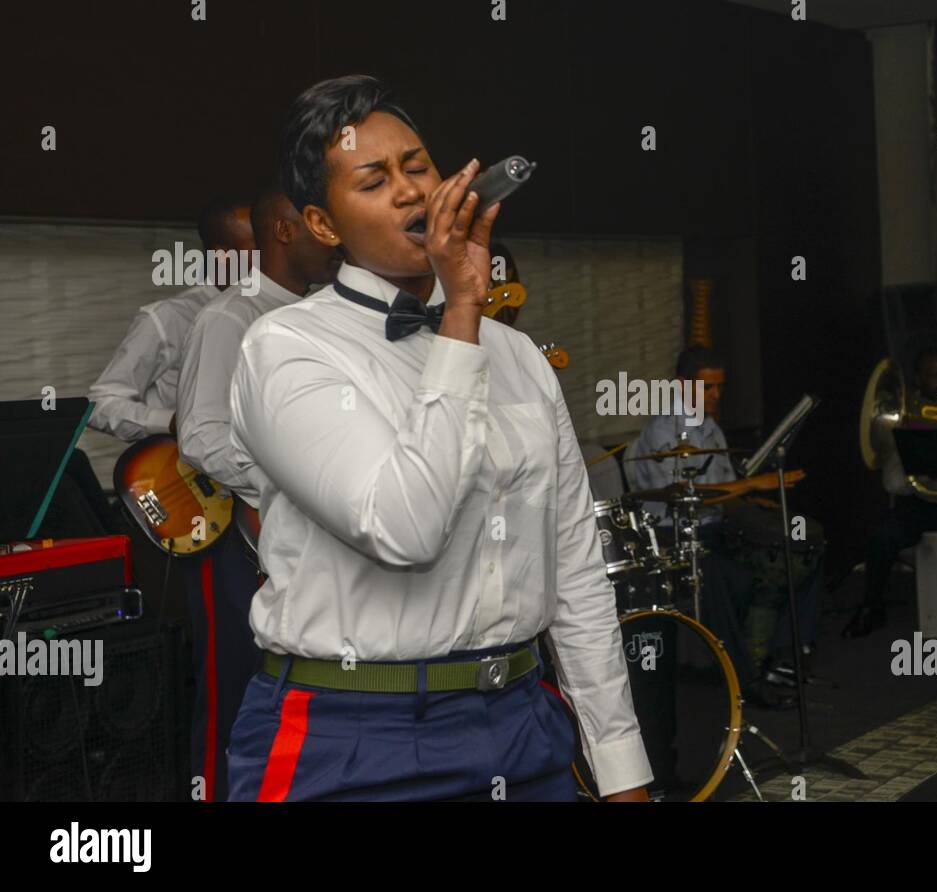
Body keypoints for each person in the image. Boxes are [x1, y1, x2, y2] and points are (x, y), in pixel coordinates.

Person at [223, 75, 650, 801]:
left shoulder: (519, 359)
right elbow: (405, 528)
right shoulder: (285, 348)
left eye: (418, 167)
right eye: (374, 179)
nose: (411, 192)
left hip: (522, 724)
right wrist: (461, 313)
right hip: (352, 734)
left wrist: (619, 766)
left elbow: (574, 569)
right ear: (325, 226)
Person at [172, 185, 340, 801]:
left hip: (300, 542)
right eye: (318, 225)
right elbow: (199, 437)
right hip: (236, 537)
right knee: (231, 692)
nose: (335, 239)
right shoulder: (229, 317)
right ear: (285, 231)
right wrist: (296, 477)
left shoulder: (325, 313)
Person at [624, 346, 821, 706]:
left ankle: (785, 654)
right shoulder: (664, 430)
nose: (716, 396)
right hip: (676, 536)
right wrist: (750, 485)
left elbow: (724, 489)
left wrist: (757, 502)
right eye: (708, 388)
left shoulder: (710, 426)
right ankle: (745, 683)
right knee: (716, 575)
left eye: (719, 388)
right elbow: (687, 493)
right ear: (682, 385)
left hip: (716, 527)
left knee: (804, 544)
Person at [844, 344, 937, 639]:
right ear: (918, 380)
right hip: (921, 503)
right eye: (933, 376)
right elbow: (892, 483)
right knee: (883, 538)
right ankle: (872, 606)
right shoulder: (906, 415)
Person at [87, 198, 254, 441]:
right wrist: (170, 421)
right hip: (181, 471)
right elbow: (100, 404)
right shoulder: (170, 316)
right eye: (260, 244)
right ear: (222, 255)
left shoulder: (277, 315)